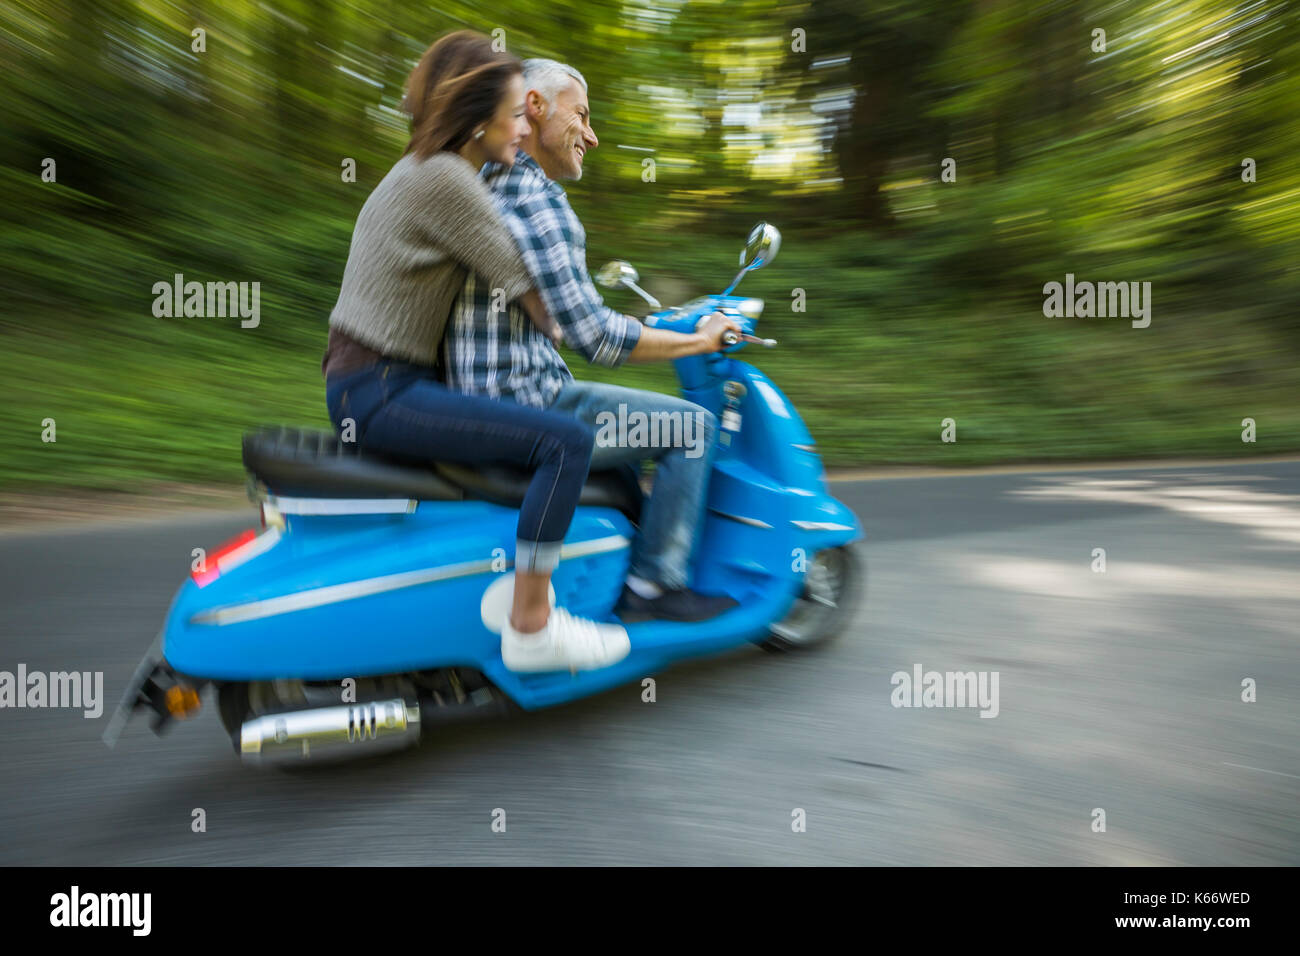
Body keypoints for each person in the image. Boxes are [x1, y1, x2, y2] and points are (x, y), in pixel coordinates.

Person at [322, 32, 629, 672]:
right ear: (480, 114)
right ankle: (532, 626)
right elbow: (539, 300)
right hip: (383, 391)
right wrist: (584, 317)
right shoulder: (450, 182)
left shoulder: (423, 167)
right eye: (516, 114)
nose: (522, 129)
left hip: (367, 384)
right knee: (565, 441)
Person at [443, 58, 743, 623]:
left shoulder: (481, 184)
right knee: (692, 428)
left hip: (475, 403)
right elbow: (597, 337)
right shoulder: (538, 201)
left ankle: (618, 564)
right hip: (526, 405)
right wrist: (700, 341)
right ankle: (655, 586)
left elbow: (562, 317)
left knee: (625, 435)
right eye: (581, 115)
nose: (592, 135)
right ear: (534, 108)